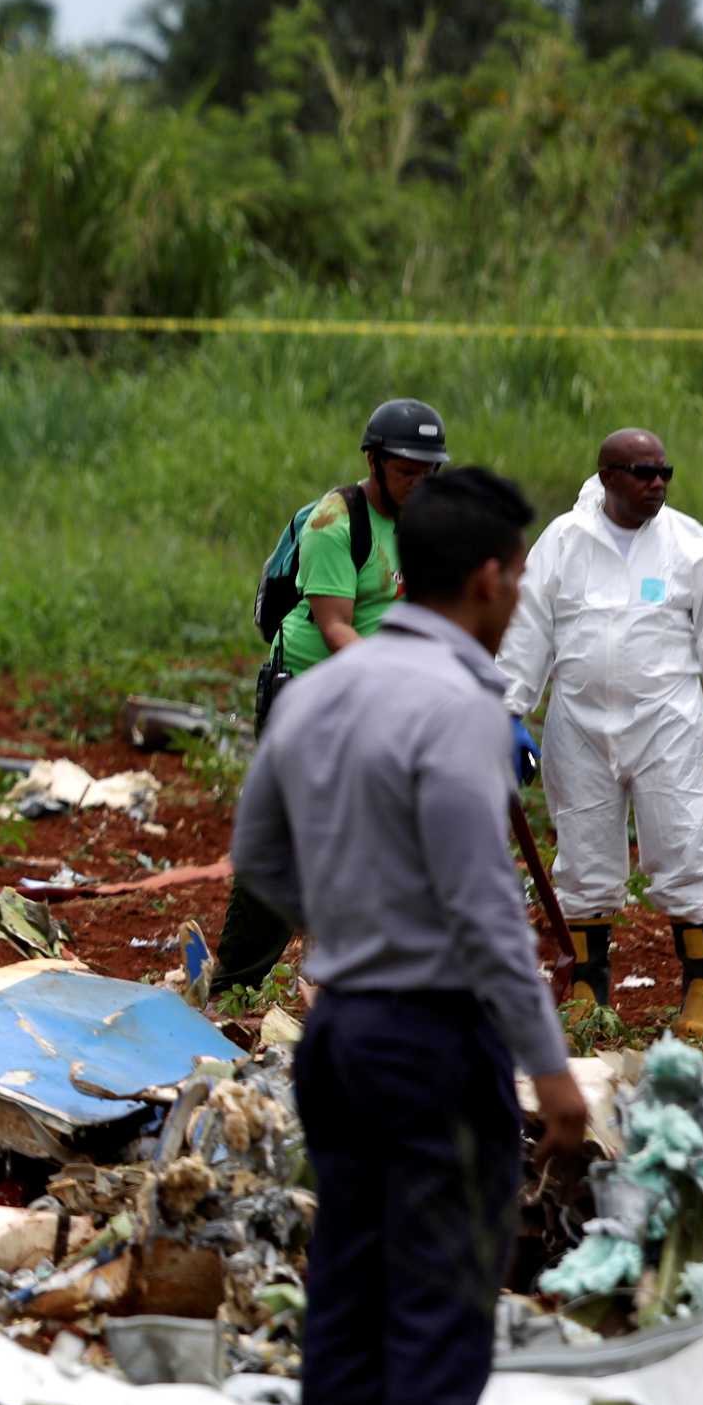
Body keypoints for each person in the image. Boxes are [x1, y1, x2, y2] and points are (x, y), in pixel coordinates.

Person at [231, 466, 589, 1405]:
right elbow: (488, 910)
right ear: (487, 580)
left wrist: (340, 928)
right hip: (434, 1041)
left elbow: (262, 867)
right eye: (521, 574)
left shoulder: (317, 693)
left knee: (345, 1305)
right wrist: (550, 1069)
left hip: (335, 1032)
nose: (522, 592)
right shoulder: (462, 708)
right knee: (438, 1314)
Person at [499, 430, 703, 1037]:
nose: (658, 483)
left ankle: (698, 992)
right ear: (609, 476)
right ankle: (589, 990)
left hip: (666, 723)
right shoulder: (563, 543)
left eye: (664, 470)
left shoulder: (688, 544)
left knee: (684, 848)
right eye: (644, 472)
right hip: (579, 724)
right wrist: (509, 711)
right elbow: (527, 630)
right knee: (585, 855)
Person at [207, 396, 449, 996]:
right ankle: (234, 984)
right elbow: (336, 624)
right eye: (405, 473)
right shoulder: (333, 523)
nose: (417, 485)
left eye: (428, 473)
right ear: (373, 461)